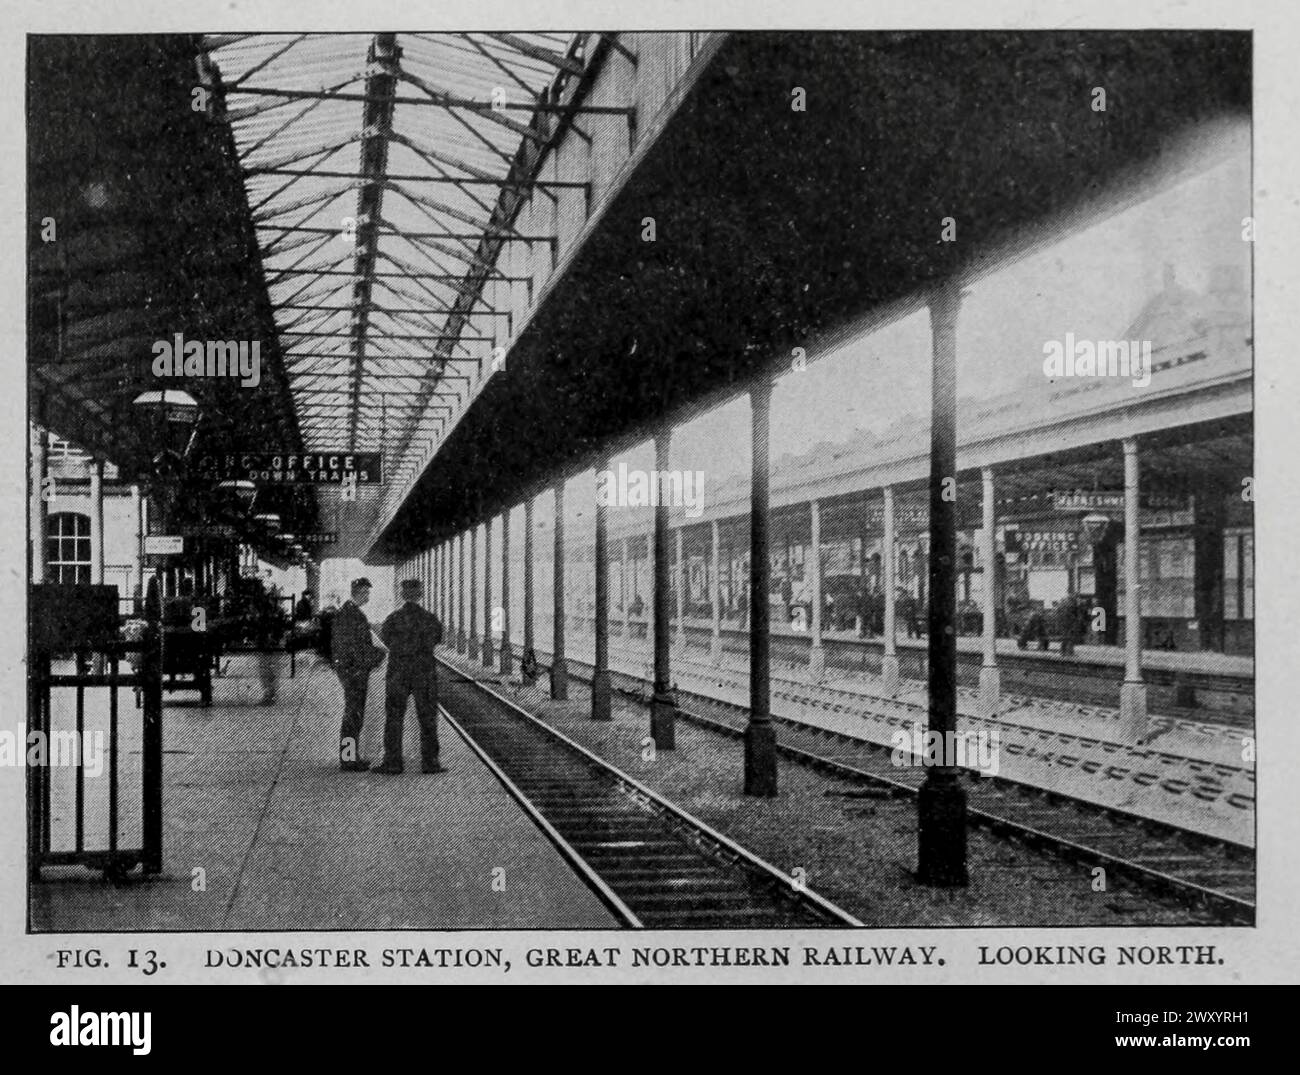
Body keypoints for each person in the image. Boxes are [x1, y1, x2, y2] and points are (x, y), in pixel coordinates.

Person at [374, 579, 445, 775]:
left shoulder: (393, 618)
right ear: (420, 595)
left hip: (399, 672)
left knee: (394, 717)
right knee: (428, 718)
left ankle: (393, 762)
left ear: (403, 595)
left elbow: (385, 638)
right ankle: (431, 763)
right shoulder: (430, 619)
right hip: (424, 672)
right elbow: (438, 638)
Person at [331, 578, 385, 771]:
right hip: (354, 671)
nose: (368, 597)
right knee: (353, 714)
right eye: (367, 593)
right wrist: (378, 655)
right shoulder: (354, 615)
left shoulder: (346, 612)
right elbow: (357, 648)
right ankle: (348, 759)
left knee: (352, 713)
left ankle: (350, 756)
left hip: (349, 669)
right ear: (360, 592)